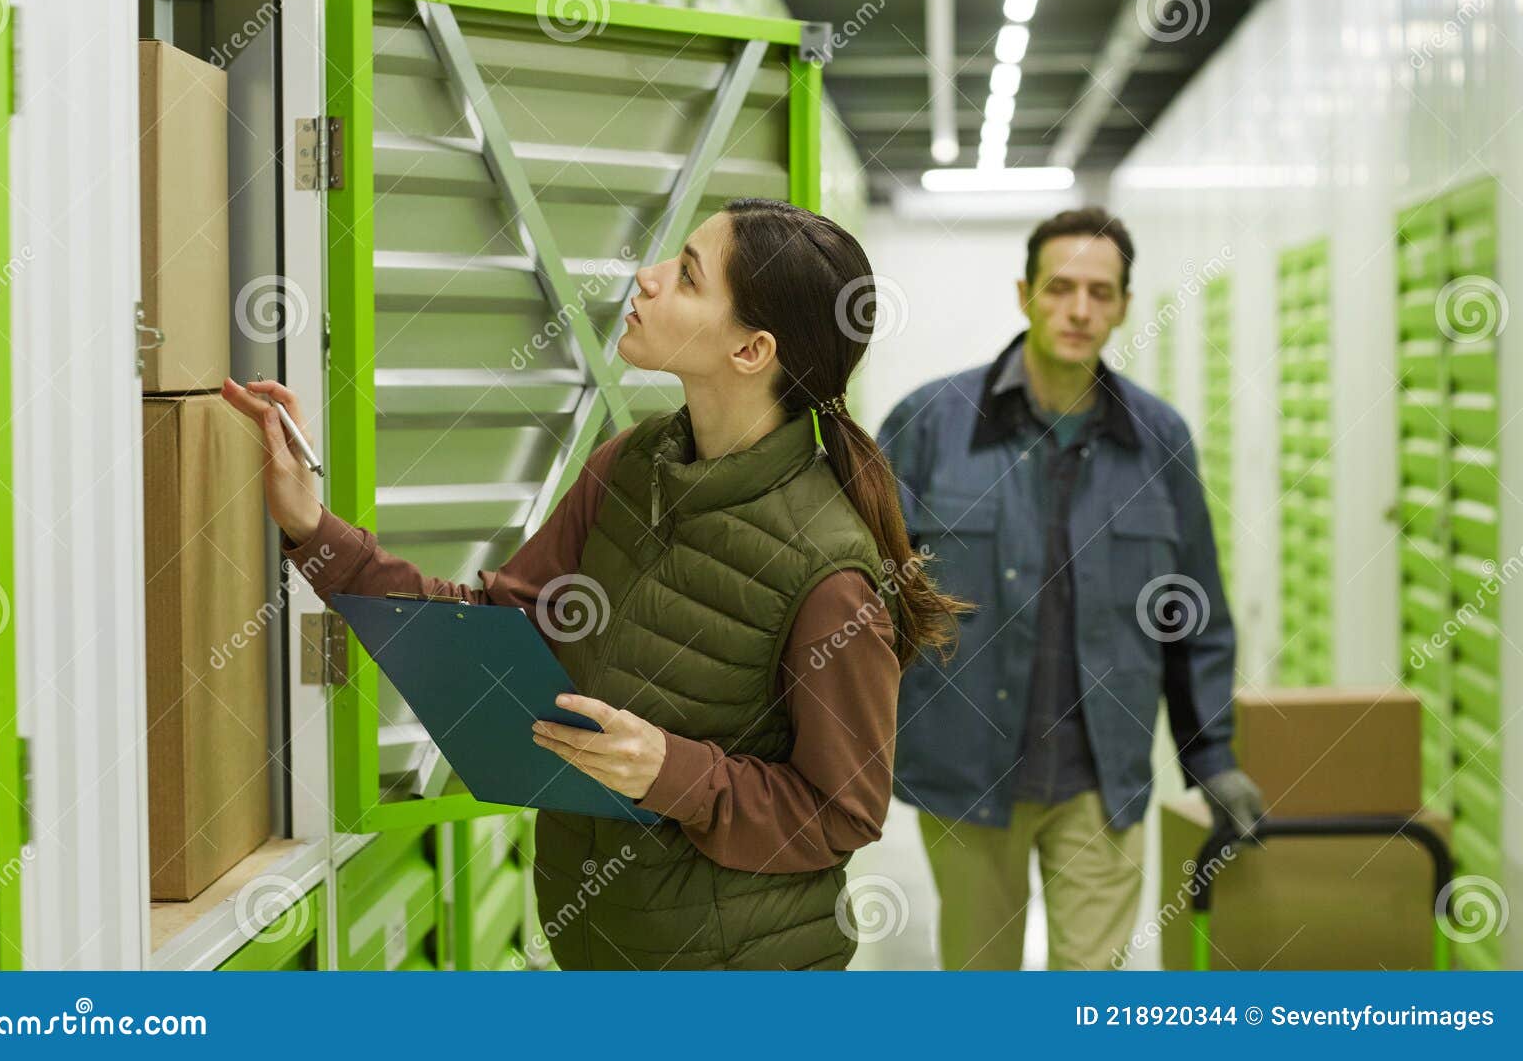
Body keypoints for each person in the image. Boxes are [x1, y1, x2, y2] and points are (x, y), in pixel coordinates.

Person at [222, 197, 967, 971]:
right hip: (598, 948)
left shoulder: (830, 572)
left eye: (684, 276)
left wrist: (672, 772)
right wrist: (314, 531)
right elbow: (493, 629)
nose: (643, 279)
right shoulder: (632, 464)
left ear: (751, 350)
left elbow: (842, 812)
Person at [877, 206, 1265, 971]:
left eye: (1099, 291)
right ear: (1025, 294)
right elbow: (864, 602)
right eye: (1060, 288)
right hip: (968, 773)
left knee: (1092, 1001)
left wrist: (1210, 754)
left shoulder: (1160, 440)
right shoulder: (928, 425)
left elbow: (1195, 611)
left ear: (1123, 303)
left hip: (1101, 776)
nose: (1079, 309)